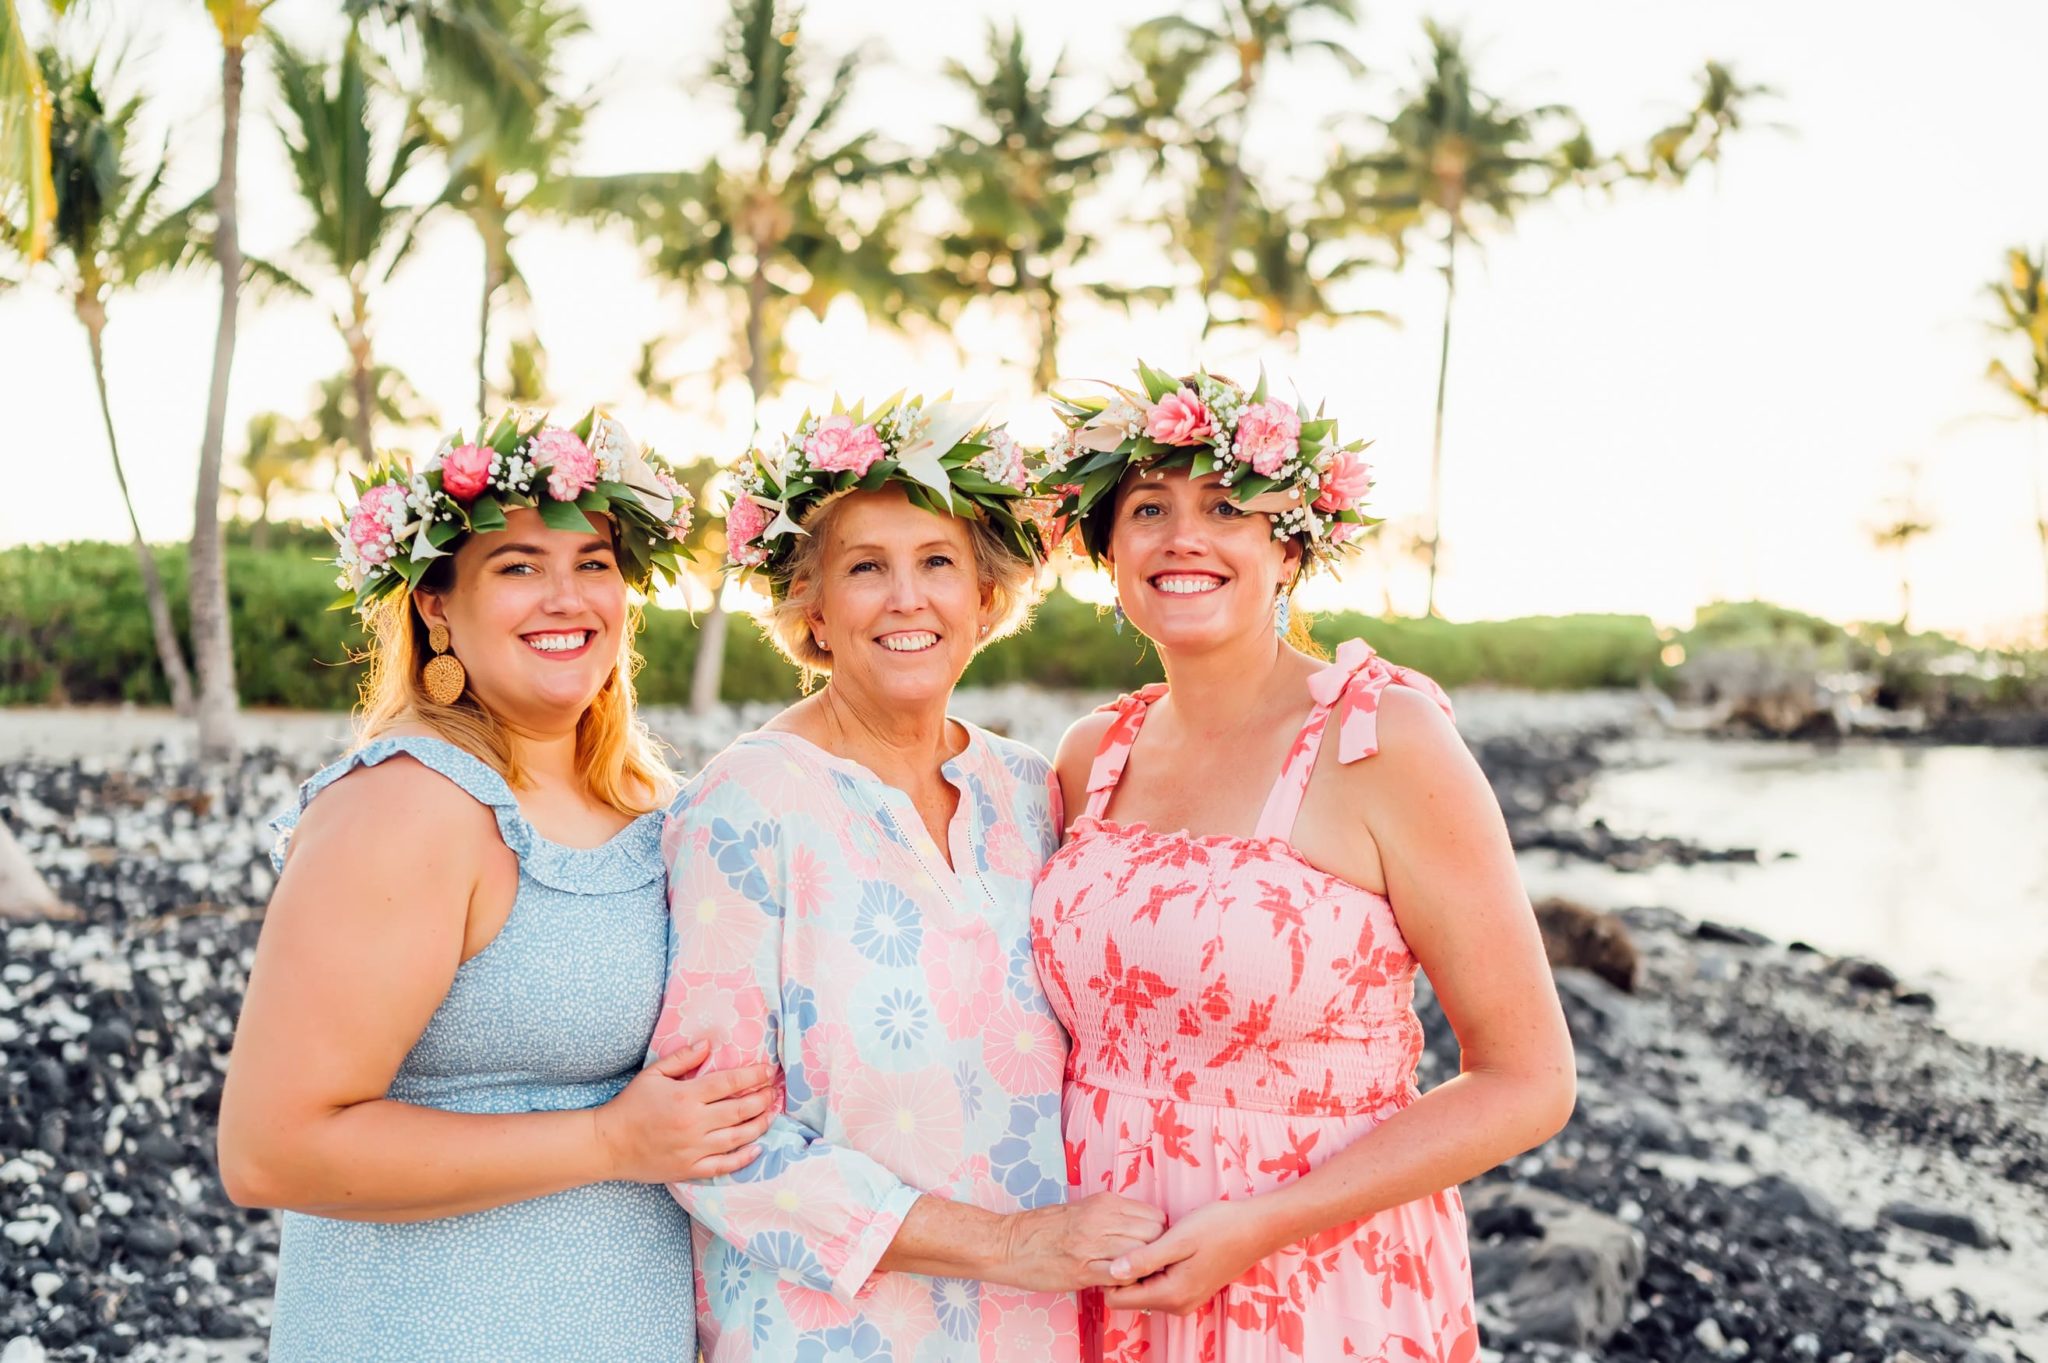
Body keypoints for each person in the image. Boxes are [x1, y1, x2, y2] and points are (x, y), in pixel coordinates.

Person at [1030, 366, 1577, 1361]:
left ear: (1287, 547)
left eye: (1225, 505)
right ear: (1106, 548)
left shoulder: (1381, 738)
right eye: (1146, 506)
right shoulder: (1092, 755)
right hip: (1095, 1271)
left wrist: (1263, 1224)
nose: (1181, 535)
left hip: (1311, 1279)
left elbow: (1528, 1078)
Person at [218, 411, 775, 1362]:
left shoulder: (658, 806)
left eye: (594, 562)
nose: (567, 598)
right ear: (436, 605)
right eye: (518, 566)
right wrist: (609, 1140)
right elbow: (272, 1146)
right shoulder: (406, 806)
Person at [660, 396, 1164, 1361]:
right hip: (826, 1333)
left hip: (1038, 1327)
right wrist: (1008, 1244)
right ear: (811, 605)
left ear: (985, 593)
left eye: (937, 561)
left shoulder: (1026, 788)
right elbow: (716, 1143)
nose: (906, 598)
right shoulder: (743, 804)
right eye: (864, 568)